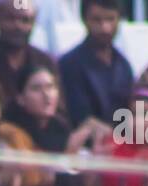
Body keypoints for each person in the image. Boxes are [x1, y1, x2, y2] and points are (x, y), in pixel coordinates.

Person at [57, 0, 134, 144]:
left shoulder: (124, 64)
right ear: (85, 20)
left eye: (110, 19)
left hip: (121, 145)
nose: (105, 28)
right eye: (97, 20)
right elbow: (80, 118)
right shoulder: (70, 64)